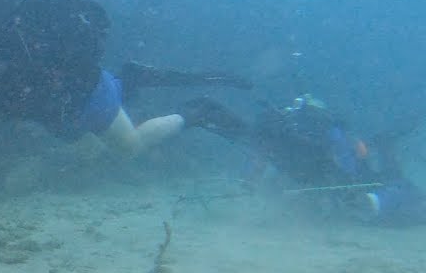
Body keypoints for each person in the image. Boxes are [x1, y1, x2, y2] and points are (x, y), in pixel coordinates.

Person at [0, 0, 250, 156]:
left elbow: (28, 76)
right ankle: (130, 79)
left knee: (130, 146)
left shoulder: (1, 27)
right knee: (87, 145)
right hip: (68, 90)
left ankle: (199, 113)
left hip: (82, 88)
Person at [181, 93, 423, 222]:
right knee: (395, 184)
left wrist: (249, 183)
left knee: (391, 182)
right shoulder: (322, 130)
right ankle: (384, 155)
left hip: (315, 173)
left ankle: (385, 146)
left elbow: (257, 159)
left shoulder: (280, 133)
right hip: (322, 174)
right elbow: (344, 164)